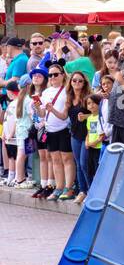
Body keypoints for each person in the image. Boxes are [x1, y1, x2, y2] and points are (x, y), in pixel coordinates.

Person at [41, 64, 76, 200]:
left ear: (62, 75)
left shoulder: (67, 91)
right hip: (50, 129)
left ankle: (69, 188)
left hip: (64, 129)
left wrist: (52, 110)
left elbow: (64, 116)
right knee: (55, 159)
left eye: (55, 74)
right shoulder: (46, 92)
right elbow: (42, 114)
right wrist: (37, 107)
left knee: (67, 159)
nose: (52, 77)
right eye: (50, 75)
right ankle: (59, 188)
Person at [66, 70, 91, 205]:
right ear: (70, 82)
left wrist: (85, 116)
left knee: (84, 163)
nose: (77, 83)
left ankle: (91, 190)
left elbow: (98, 114)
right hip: (75, 135)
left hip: (88, 135)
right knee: (78, 164)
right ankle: (83, 191)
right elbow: (64, 116)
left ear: (84, 83)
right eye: (74, 80)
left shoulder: (88, 97)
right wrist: (51, 110)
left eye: (80, 81)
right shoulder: (69, 98)